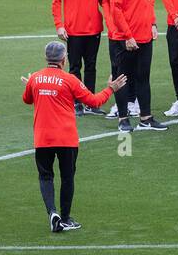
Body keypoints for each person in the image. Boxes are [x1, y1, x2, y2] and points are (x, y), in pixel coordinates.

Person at [22, 41, 127, 232]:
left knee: (45, 176)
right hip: (66, 138)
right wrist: (111, 88)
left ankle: (52, 212)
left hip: (43, 138)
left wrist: (30, 84)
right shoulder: (69, 80)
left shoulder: (35, 78)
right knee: (67, 177)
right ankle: (66, 218)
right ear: (63, 59)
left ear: (46, 58)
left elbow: (27, 99)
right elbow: (94, 102)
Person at [108, 0, 166, 131]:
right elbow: (116, 10)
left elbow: (149, 3)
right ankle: (123, 119)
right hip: (125, 40)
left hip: (145, 38)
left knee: (143, 77)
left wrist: (153, 24)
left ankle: (146, 118)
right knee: (123, 78)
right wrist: (128, 36)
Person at [51, 0, 104, 114]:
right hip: (74, 30)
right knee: (75, 68)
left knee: (91, 66)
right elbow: (56, 0)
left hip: (94, 28)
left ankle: (90, 102)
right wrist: (59, 25)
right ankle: (75, 102)